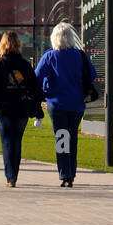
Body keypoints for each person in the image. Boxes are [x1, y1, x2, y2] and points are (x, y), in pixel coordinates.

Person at [35, 21, 97, 188]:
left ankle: (65, 174)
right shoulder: (80, 56)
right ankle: (72, 171)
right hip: (77, 104)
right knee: (73, 137)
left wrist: (44, 91)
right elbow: (92, 75)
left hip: (57, 104)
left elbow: (37, 77)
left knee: (62, 137)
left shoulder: (50, 56)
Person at [0, 31, 44, 187]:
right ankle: (13, 175)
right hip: (21, 110)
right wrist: (35, 108)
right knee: (16, 141)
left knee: (7, 141)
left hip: (2, 110)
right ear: (18, 45)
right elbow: (34, 88)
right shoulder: (25, 65)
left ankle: (11, 177)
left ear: (2, 45)